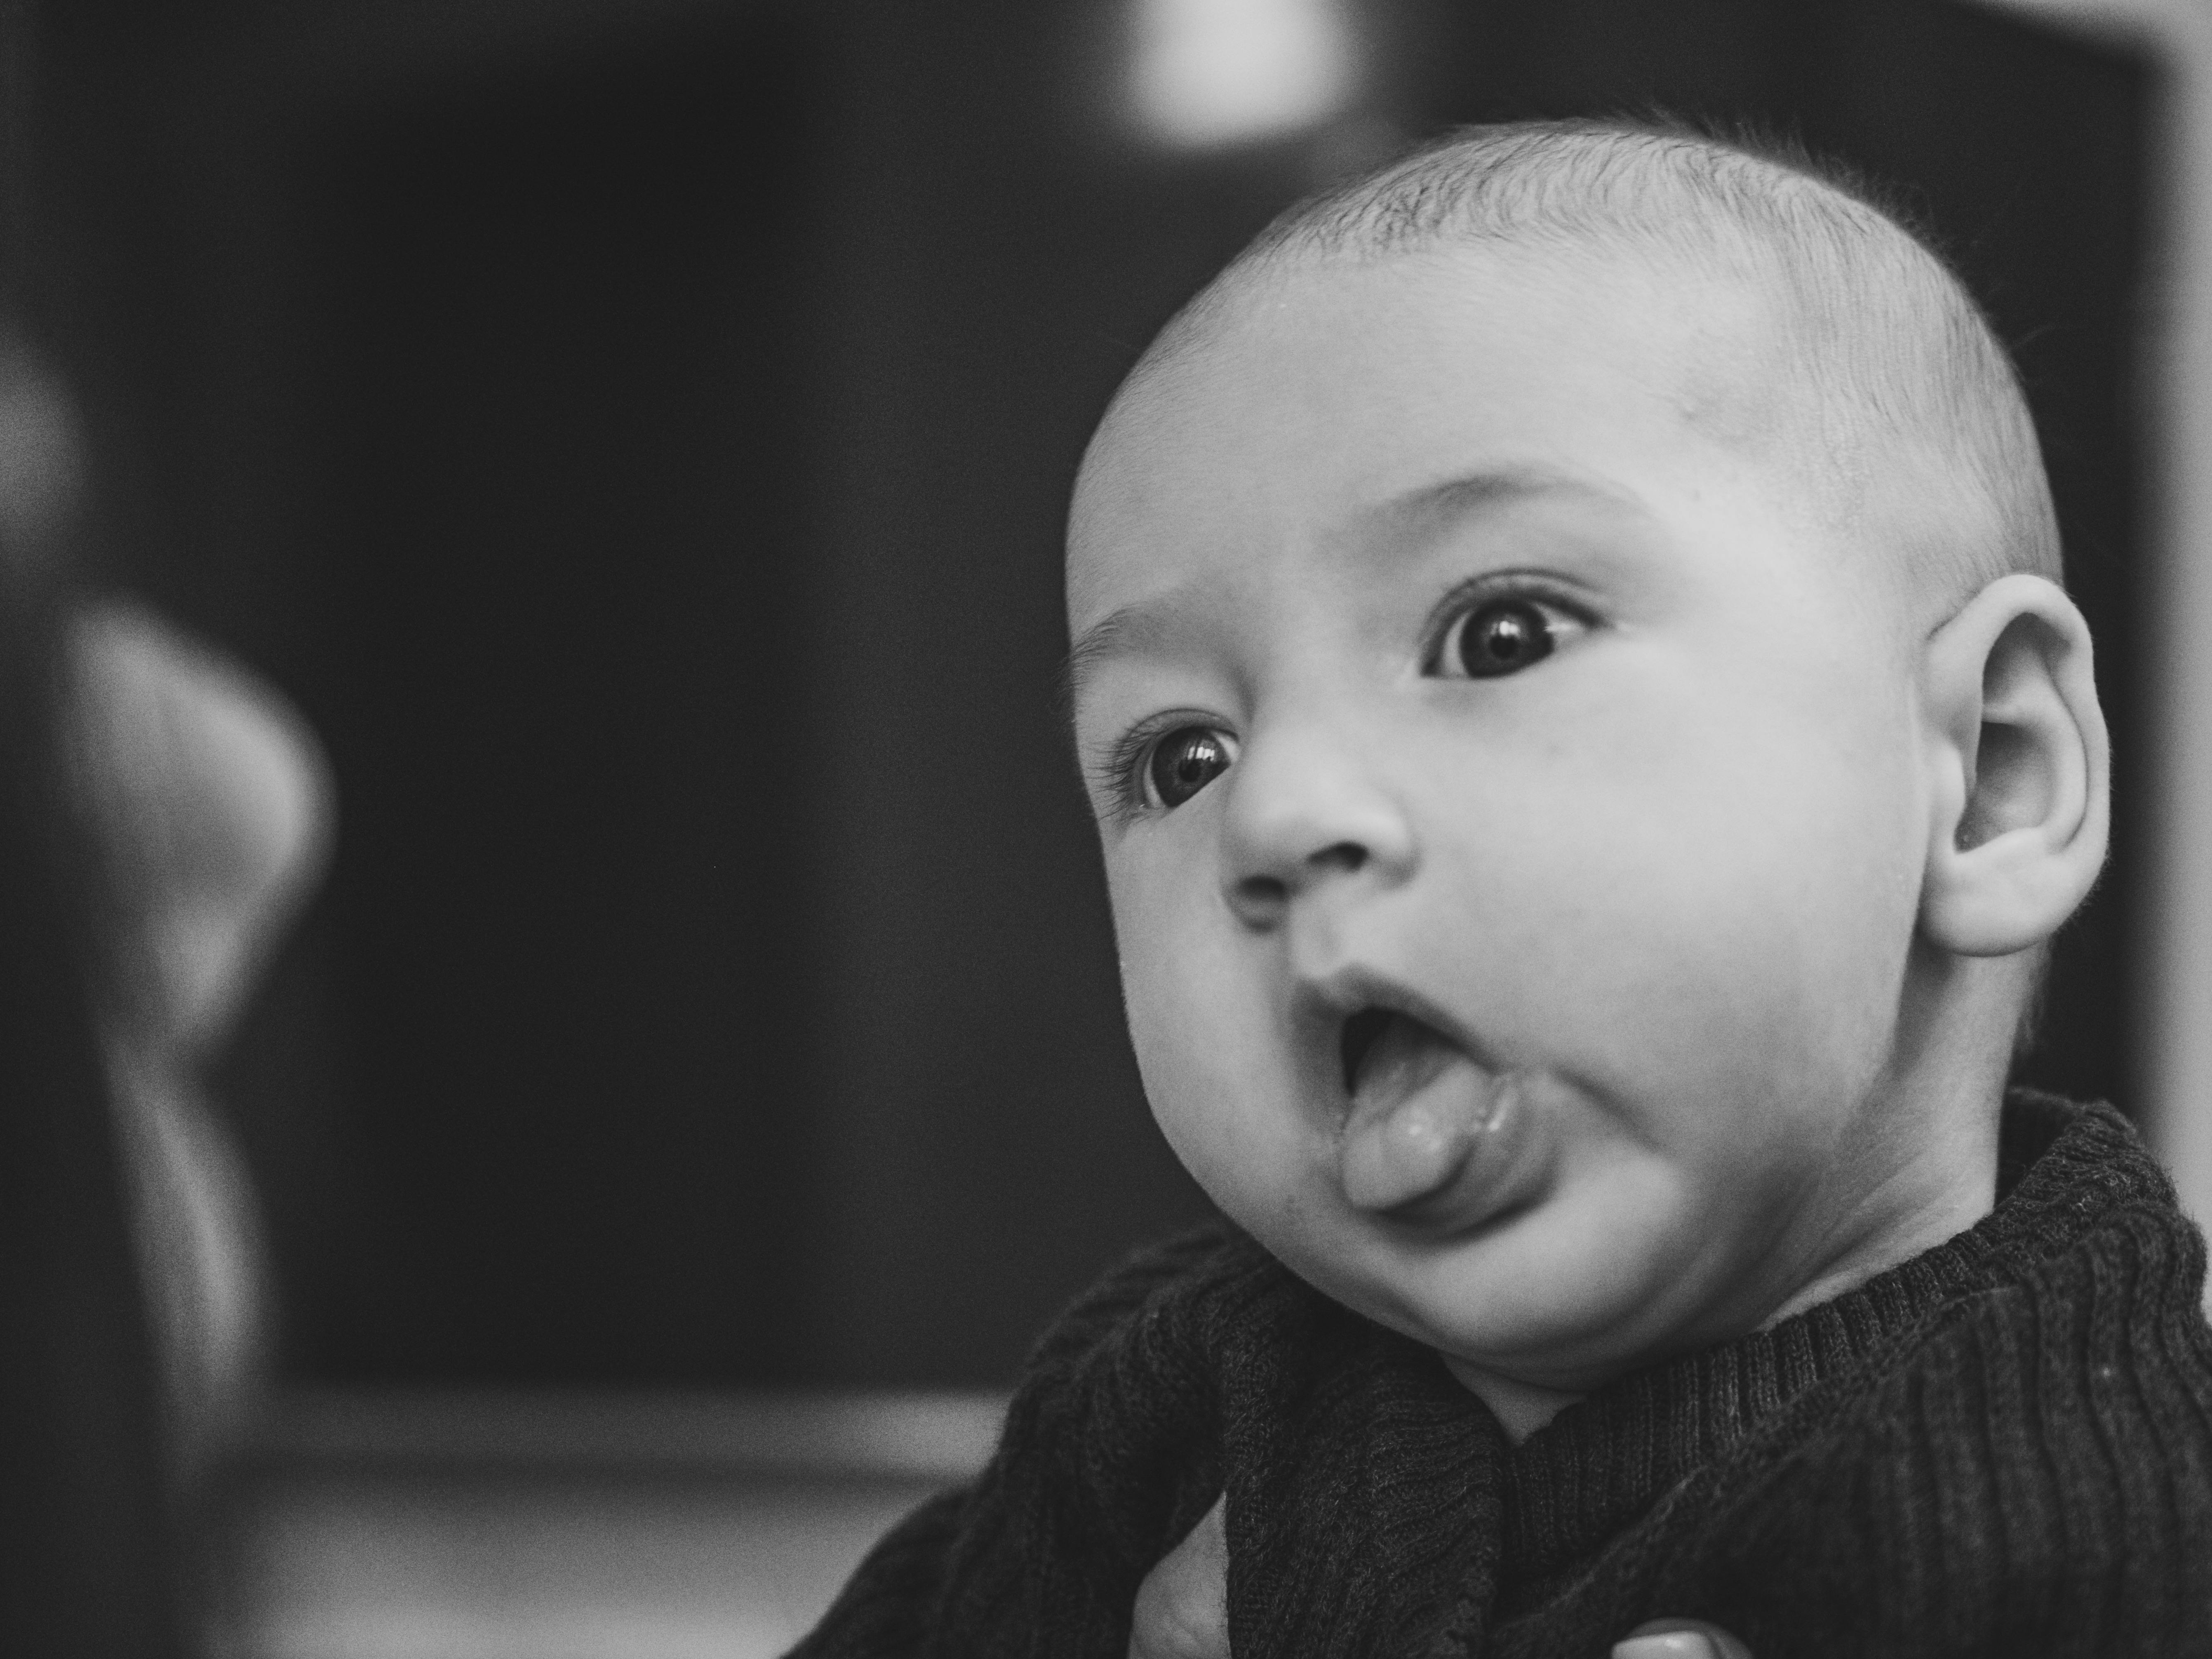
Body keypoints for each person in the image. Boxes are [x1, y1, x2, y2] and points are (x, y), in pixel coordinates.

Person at [788, 120, 2212, 1658]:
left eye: (1502, 636)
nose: (1276, 814)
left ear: (1990, 777)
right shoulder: (1164, 1405)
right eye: (1184, 755)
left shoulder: (2119, 1516)